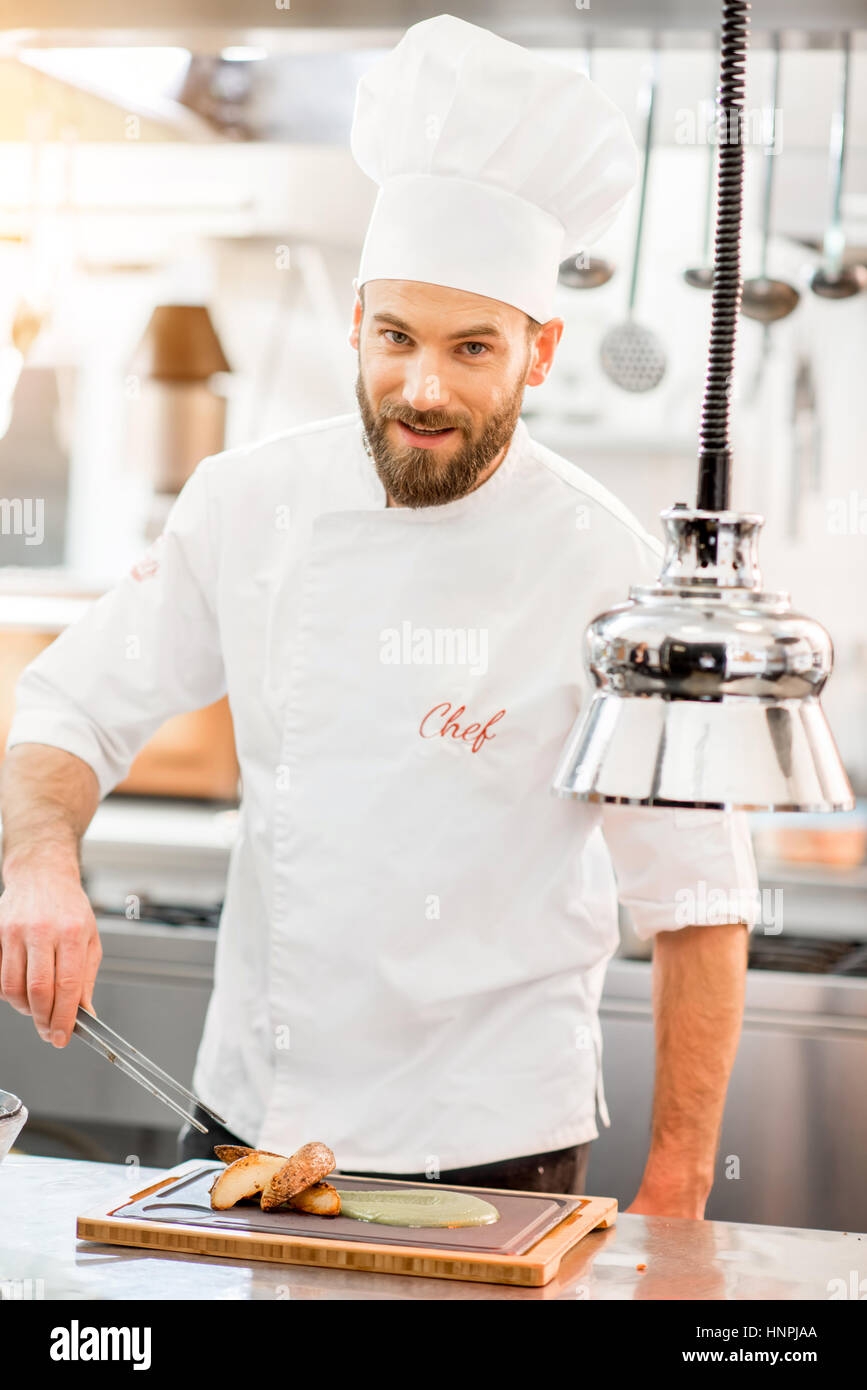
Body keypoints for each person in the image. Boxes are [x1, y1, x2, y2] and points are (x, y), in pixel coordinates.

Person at [0, 16, 758, 1212]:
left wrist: (676, 1194)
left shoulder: (612, 570)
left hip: (499, 1143)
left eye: (472, 349)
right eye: (397, 337)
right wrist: (39, 862)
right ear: (354, 322)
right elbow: (68, 706)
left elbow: (701, 899)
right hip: (253, 1120)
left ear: (541, 352)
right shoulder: (247, 504)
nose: (423, 388)